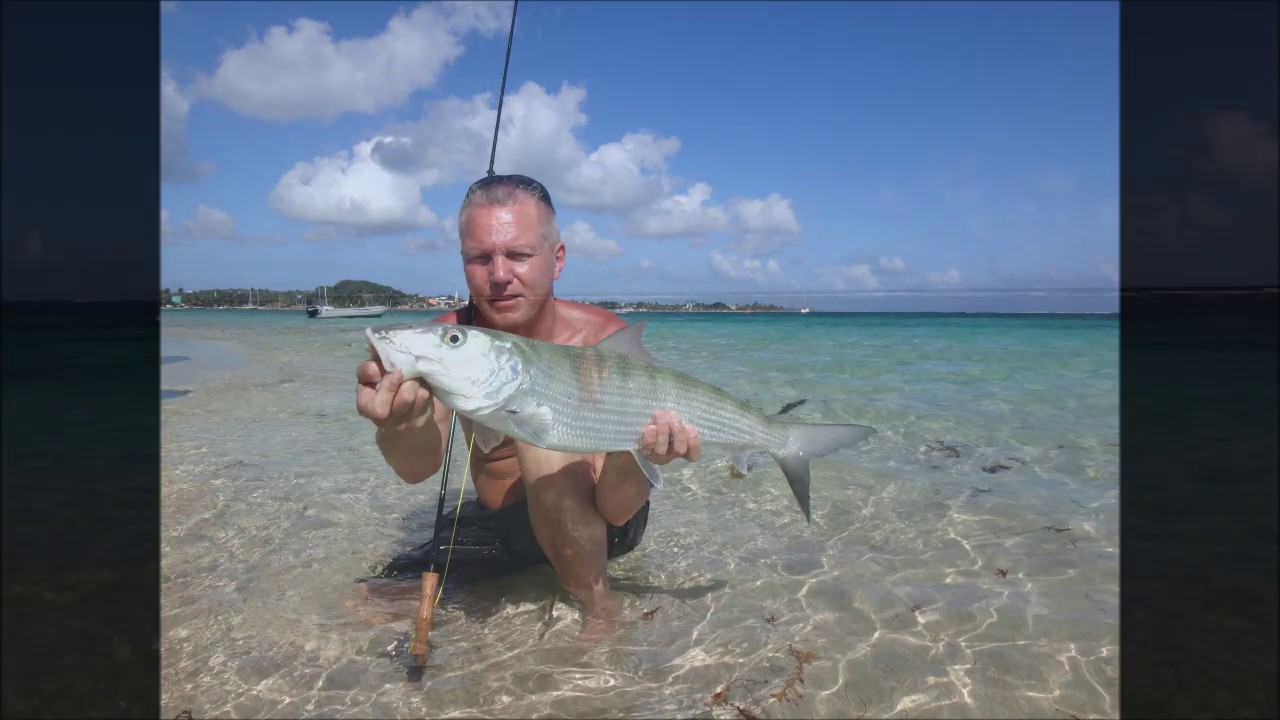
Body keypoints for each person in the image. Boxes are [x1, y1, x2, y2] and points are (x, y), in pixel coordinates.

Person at [355, 174, 702, 638]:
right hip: (509, 529)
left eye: (518, 255)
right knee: (362, 605)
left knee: (541, 439)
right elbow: (418, 469)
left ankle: (601, 613)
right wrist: (400, 423)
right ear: (463, 262)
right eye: (481, 258)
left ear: (556, 260)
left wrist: (641, 452)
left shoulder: (601, 343)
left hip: (603, 522)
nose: (499, 276)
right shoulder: (445, 342)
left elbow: (618, 509)